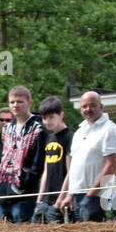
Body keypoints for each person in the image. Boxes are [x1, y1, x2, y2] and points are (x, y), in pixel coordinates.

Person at [65, 91, 116, 222]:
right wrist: (69, 194)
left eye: (92, 105)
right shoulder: (80, 131)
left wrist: (91, 194)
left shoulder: (110, 130)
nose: (88, 109)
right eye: (84, 106)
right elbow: (74, 166)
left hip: (96, 196)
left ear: (101, 107)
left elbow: (112, 166)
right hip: (77, 195)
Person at [0, 85, 46, 223]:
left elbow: (37, 164)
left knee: (21, 231)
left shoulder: (38, 129)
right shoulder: (6, 129)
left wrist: (24, 183)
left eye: (20, 101)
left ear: (29, 103)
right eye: (12, 102)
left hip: (23, 194)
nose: (15, 105)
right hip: (2, 190)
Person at [33, 96, 72, 224]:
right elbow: (46, 170)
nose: (47, 121)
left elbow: (70, 171)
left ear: (61, 115)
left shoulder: (70, 137)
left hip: (60, 200)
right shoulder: (48, 138)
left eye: (51, 117)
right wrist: (39, 198)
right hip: (45, 199)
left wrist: (61, 199)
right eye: (44, 118)